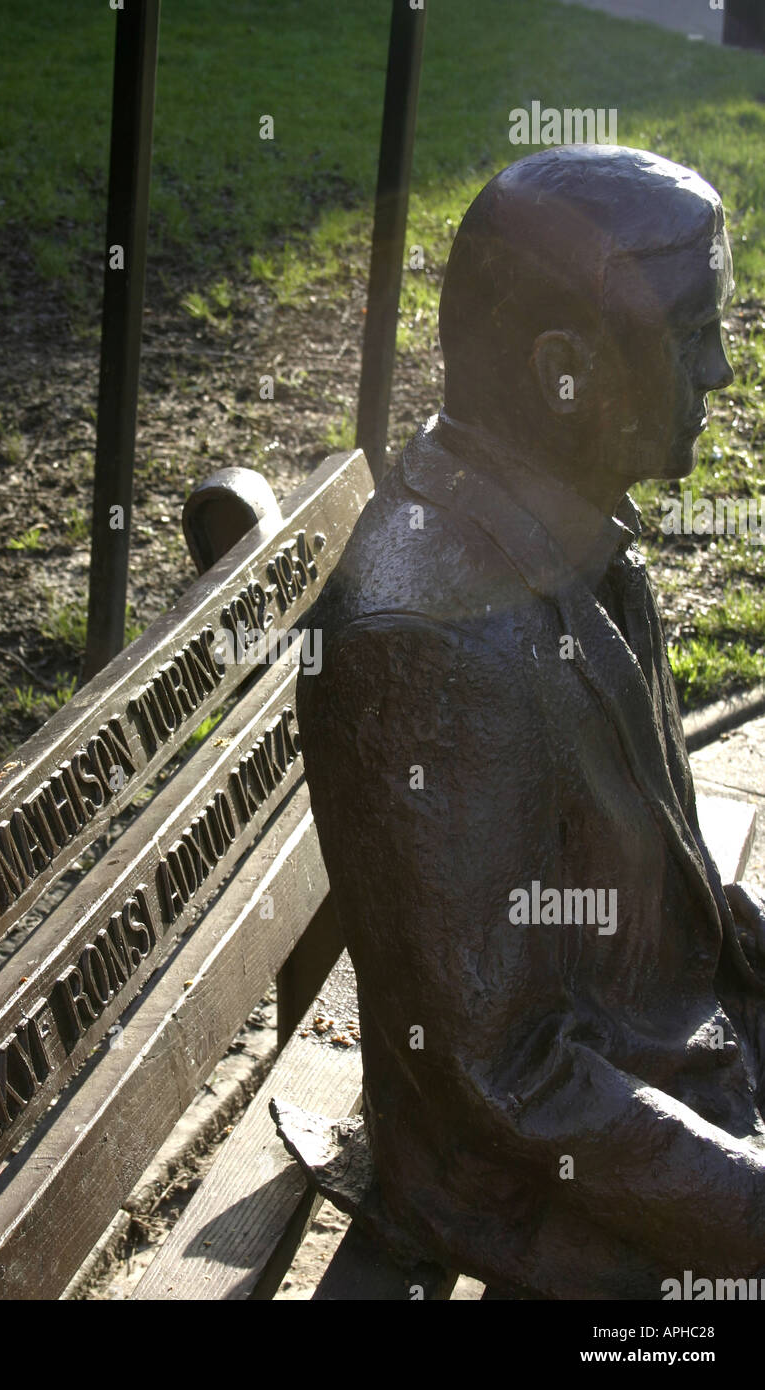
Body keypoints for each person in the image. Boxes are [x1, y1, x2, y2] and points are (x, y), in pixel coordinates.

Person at [296, 146, 765, 1299]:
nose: (718, 369)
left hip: (654, 1067)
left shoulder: (576, 530)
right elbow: (501, 1072)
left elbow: (672, 884)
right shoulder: (430, 644)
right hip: (525, 1181)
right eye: (690, 333)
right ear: (563, 372)